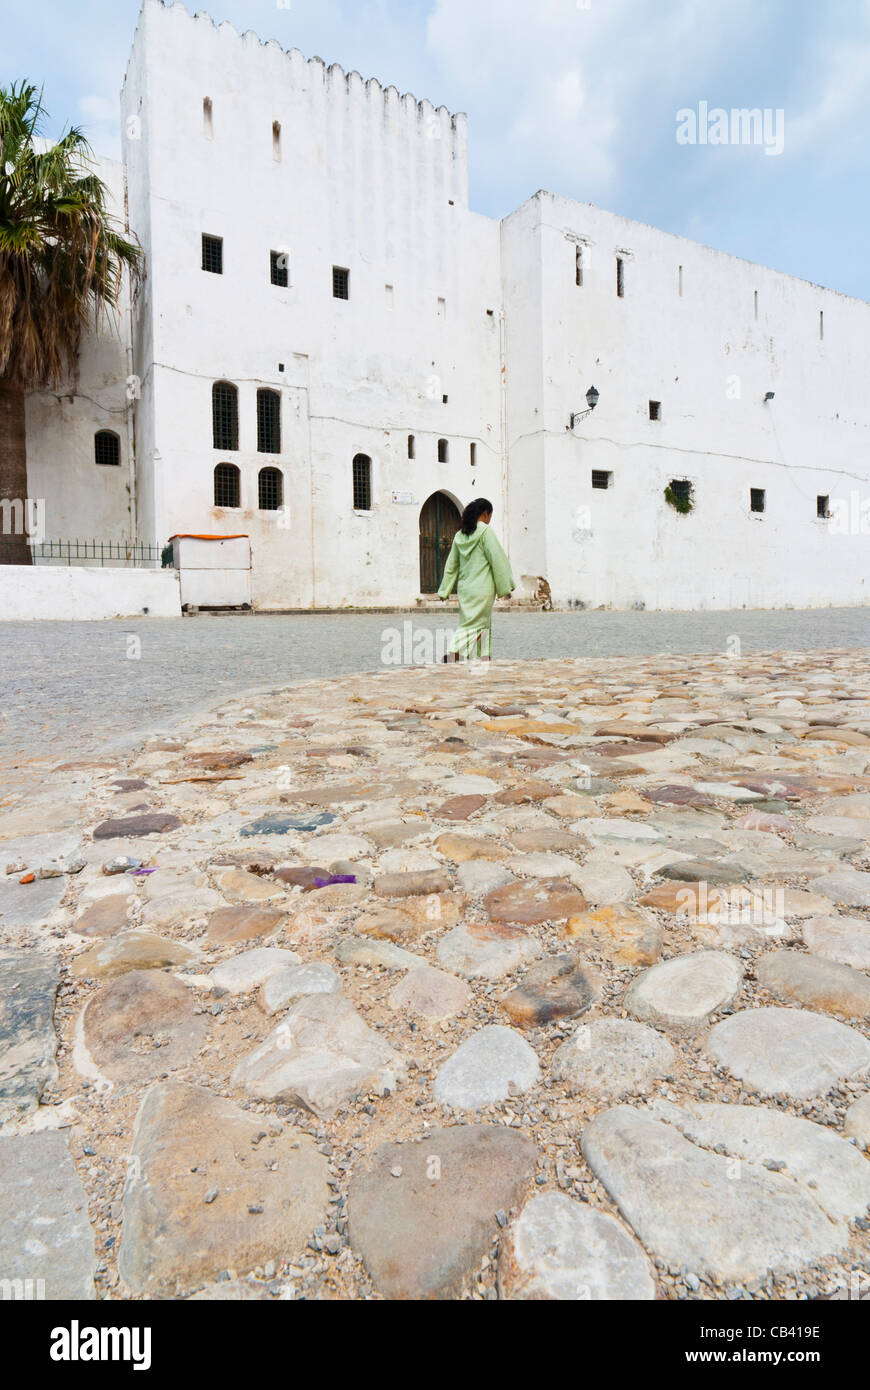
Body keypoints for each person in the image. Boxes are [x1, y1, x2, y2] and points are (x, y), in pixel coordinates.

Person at [437, 498, 515, 660]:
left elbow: (451, 565)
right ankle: (454, 652)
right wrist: (506, 586)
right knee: (475, 624)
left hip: (465, 589)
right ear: (485, 514)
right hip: (483, 589)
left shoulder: (460, 535)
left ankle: (483, 657)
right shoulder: (485, 532)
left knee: (480, 623)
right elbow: (498, 560)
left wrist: (444, 590)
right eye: (490, 516)